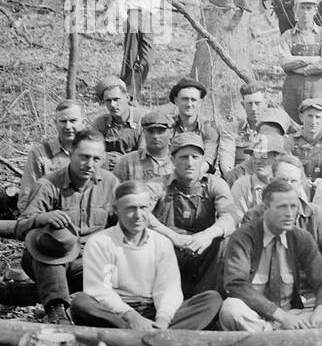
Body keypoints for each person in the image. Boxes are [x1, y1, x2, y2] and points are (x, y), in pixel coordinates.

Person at [71, 180, 222, 330]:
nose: (138, 215)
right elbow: (100, 289)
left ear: (150, 207)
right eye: (130, 208)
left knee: (211, 300)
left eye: (143, 208)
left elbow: (168, 288)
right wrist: (132, 317)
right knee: (81, 302)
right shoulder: (100, 242)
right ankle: (154, 340)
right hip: (117, 313)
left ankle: (144, 338)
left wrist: (163, 320)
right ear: (116, 209)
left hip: (153, 309)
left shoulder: (161, 242)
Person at [240, 157, 322, 320]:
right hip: (268, 298)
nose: (288, 186)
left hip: (308, 295)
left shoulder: (314, 214)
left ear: (301, 184)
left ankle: (283, 330)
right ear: (271, 181)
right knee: (232, 311)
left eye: (293, 181)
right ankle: (292, 328)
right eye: (283, 180)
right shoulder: (254, 216)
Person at [218, 180, 322, 331]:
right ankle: (293, 337)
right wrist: (282, 317)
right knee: (231, 309)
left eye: (293, 206)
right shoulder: (243, 237)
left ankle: (271, 338)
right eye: (282, 207)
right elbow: (236, 285)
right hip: (256, 313)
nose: (289, 213)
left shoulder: (301, 237)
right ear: (266, 208)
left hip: (293, 313)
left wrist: (319, 314)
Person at [15, 131, 119, 323]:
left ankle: (87, 309)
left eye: (96, 159)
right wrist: (42, 218)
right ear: (71, 154)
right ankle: (57, 312)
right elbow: (20, 227)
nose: (89, 164)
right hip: (49, 261)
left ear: (103, 159)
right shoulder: (48, 185)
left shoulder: (110, 183)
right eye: (84, 157)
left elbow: (120, 226)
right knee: (49, 250)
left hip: (89, 262)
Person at [150, 132, 237, 296]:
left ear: (203, 159)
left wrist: (207, 235)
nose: (190, 163)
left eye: (195, 157)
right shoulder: (158, 185)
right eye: (183, 157)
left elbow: (230, 217)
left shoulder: (215, 184)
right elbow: (137, 212)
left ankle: (205, 297)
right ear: (172, 159)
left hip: (202, 251)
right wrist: (173, 237)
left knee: (227, 243)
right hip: (167, 252)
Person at [115, 0, 200, 100]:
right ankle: (126, 93)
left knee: (146, 59)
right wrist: (125, 19)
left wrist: (196, 0)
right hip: (133, 15)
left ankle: (136, 90)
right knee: (130, 56)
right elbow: (120, 0)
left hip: (150, 18)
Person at [20, 99, 85, 210]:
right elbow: (26, 200)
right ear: (55, 123)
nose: (68, 126)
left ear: (83, 121)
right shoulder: (39, 155)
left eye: (73, 121)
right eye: (63, 121)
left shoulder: (95, 153)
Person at [279, 0, 322, 118]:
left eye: (309, 8)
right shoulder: (287, 36)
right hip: (292, 93)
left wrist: (297, 65)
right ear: (295, 10)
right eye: (301, 7)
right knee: (291, 128)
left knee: (319, 130)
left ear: (315, 11)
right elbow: (284, 62)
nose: (305, 12)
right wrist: (314, 60)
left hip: (317, 91)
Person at [168, 77, 223, 176]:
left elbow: (208, 159)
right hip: (170, 176)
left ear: (200, 102)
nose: (189, 104)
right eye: (185, 99)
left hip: (200, 178)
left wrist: (191, 176)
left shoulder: (209, 128)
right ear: (176, 101)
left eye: (193, 100)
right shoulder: (167, 126)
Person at [89, 75, 142, 172]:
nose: (112, 105)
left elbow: (145, 153)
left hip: (135, 171)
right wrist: (106, 158)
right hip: (108, 171)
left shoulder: (141, 122)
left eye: (116, 99)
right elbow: (92, 149)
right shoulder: (100, 123)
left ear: (127, 98)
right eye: (108, 101)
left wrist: (123, 161)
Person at [228, 133, 286, 218]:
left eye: (264, 156)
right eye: (255, 156)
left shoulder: (288, 182)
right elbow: (236, 219)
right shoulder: (242, 185)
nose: (257, 161)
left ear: (276, 158)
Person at [113, 108, 175, 187]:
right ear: (143, 132)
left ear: (171, 133)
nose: (155, 136)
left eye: (160, 131)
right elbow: (114, 194)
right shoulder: (127, 162)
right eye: (151, 131)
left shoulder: (180, 160)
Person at [289, 97, 322, 195]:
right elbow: (286, 168)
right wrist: (301, 180)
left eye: (318, 117)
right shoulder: (290, 141)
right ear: (301, 117)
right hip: (296, 190)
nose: (313, 121)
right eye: (310, 116)